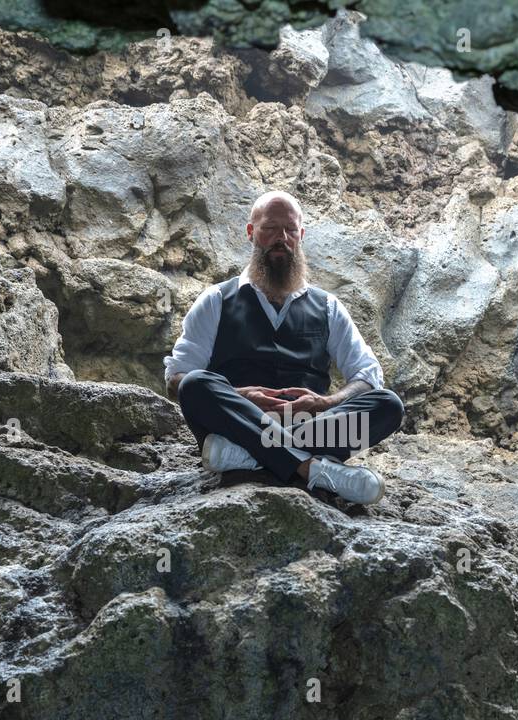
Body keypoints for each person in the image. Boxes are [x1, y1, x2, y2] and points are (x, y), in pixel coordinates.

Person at [164, 190, 404, 504]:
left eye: (290, 230)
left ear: (301, 235)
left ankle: (248, 455)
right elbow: (176, 381)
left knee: (388, 406)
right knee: (196, 384)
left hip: (310, 427)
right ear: (251, 232)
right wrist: (242, 396)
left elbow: (369, 376)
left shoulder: (328, 307)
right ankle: (310, 468)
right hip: (235, 423)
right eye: (270, 228)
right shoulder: (216, 301)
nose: (282, 238)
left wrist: (325, 403)